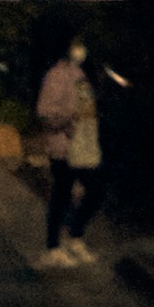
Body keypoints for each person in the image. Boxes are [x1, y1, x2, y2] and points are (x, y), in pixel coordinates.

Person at [33, 37, 99, 262]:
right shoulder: (57, 76)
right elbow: (45, 112)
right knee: (62, 193)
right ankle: (54, 246)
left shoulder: (79, 74)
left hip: (82, 145)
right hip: (63, 145)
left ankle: (74, 236)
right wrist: (69, 120)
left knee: (94, 189)